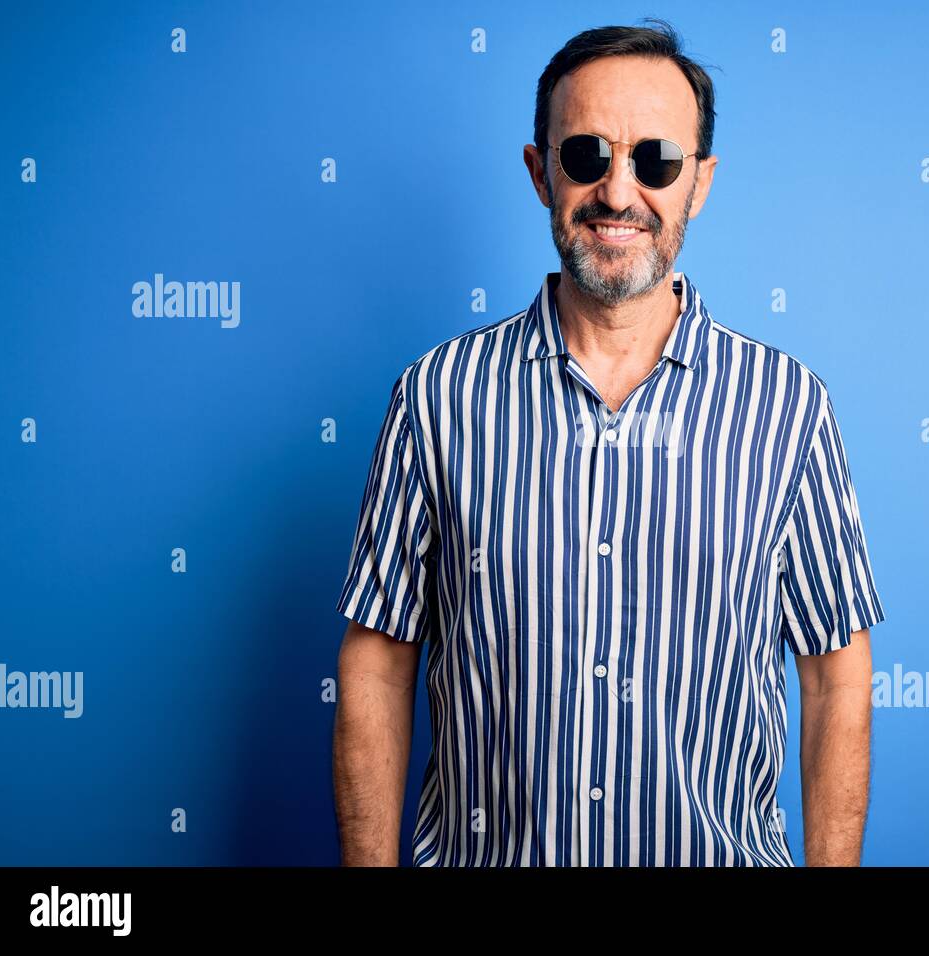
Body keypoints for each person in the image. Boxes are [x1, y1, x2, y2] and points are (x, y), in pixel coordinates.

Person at [331, 18, 885, 867]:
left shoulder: (788, 409)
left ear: (699, 183)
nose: (619, 193)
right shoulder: (437, 398)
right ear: (540, 170)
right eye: (586, 154)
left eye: (655, 160)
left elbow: (834, 677)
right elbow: (377, 663)